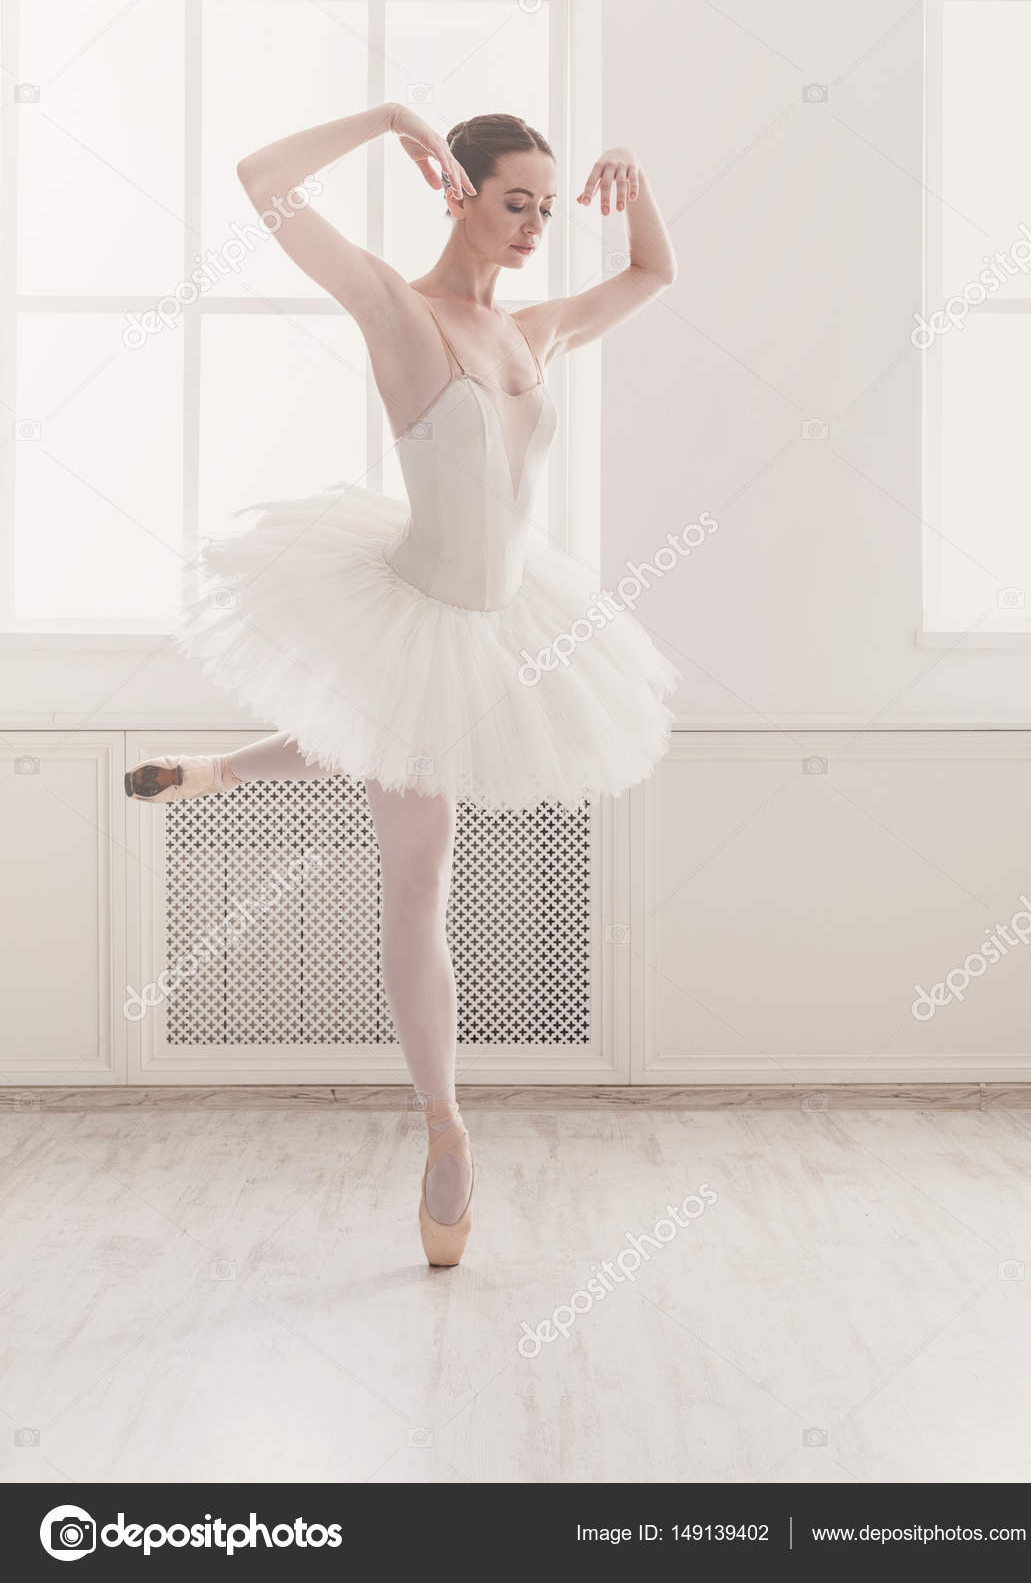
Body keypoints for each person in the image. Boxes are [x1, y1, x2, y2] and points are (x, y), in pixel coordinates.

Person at [125, 104, 680, 1267]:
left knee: (389, 743)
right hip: (416, 611)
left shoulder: (538, 328)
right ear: (459, 193)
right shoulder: (396, 308)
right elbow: (257, 171)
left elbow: (651, 271)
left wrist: (632, 175)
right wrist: (383, 120)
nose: (532, 225)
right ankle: (445, 1130)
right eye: (512, 201)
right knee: (415, 881)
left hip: (516, 621)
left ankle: (217, 769)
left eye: (544, 203)